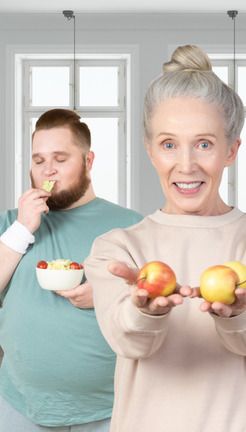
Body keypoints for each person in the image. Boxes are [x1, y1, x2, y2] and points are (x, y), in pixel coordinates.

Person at [84, 45, 246, 432]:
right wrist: (144, 311)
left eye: (205, 144)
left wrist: (242, 312)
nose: (186, 164)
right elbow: (129, 342)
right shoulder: (117, 249)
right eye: (168, 144)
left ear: (232, 150)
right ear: (149, 150)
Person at [0, 109, 143, 432]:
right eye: (38, 161)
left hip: (110, 407)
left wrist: (110, 294)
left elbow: (159, 303)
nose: (47, 170)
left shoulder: (131, 225)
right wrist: (24, 227)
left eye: (60, 159)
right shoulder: (10, 224)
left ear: (88, 162)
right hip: (19, 405)